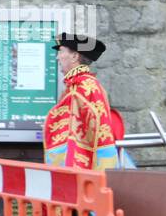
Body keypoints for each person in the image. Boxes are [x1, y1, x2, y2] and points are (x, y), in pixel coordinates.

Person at [44, 34, 133, 171]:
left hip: (88, 165)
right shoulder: (80, 84)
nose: (57, 57)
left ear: (74, 56)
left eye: (61, 52)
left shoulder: (84, 86)